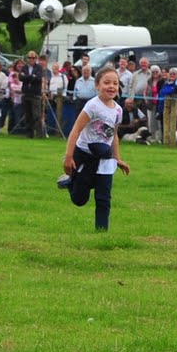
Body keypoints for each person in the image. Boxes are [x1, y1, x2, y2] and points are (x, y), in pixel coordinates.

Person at [58, 65, 130, 231]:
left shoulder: (118, 110)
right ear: (97, 85)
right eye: (106, 83)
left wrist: (117, 159)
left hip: (105, 158)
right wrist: (69, 157)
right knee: (79, 200)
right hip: (85, 155)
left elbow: (114, 136)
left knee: (104, 198)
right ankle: (71, 182)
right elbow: (75, 131)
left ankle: (101, 231)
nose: (111, 86)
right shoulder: (92, 106)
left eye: (115, 83)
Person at [22, 50, 47, 139]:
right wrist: (32, 76)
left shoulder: (39, 67)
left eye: (33, 58)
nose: (31, 59)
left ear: (36, 58)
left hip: (35, 95)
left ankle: (39, 134)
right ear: (27, 58)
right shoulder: (24, 67)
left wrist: (27, 77)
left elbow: (38, 78)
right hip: (26, 94)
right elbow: (21, 77)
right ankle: (29, 134)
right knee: (28, 115)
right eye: (29, 57)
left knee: (36, 115)